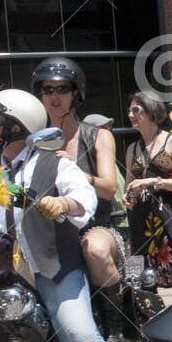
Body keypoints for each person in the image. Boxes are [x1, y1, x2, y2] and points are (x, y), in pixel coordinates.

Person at [0, 88, 117, 342]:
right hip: (7, 277)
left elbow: (84, 198)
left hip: (52, 269)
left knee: (79, 334)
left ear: (16, 127)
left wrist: (64, 203)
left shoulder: (53, 163)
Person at [31, 57, 124, 291]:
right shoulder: (32, 141)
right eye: (47, 89)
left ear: (75, 93)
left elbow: (109, 189)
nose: (54, 96)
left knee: (95, 250)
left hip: (98, 225)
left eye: (62, 89)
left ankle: (118, 319)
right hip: (51, 229)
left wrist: (78, 173)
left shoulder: (97, 135)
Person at [124, 90, 172, 294]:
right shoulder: (132, 149)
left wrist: (153, 181)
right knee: (144, 283)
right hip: (141, 222)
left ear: (151, 111)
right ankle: (149, 323)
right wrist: (127, 197)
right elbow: (129, 184)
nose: (131, 115)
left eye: (136, 110)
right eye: (129, 110)